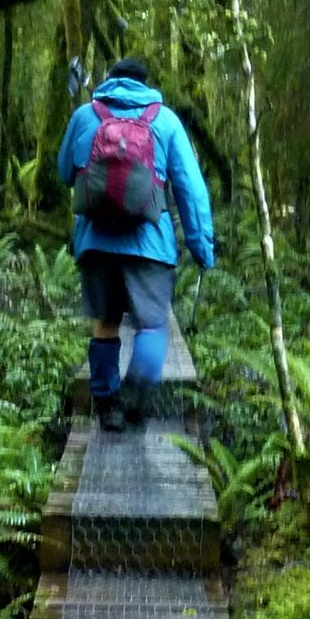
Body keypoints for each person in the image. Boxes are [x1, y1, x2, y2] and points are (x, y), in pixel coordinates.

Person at [57, 55, 215, 431]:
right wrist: (201, 247)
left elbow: (65, 172)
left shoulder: (84, 116)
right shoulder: (166, 121)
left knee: (106, 324)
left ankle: (108, 404)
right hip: (152, 246)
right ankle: (136, 395)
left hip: (97, 242)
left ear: (110, 80)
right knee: (153, 326)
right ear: (146, 84)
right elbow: (191, 191)